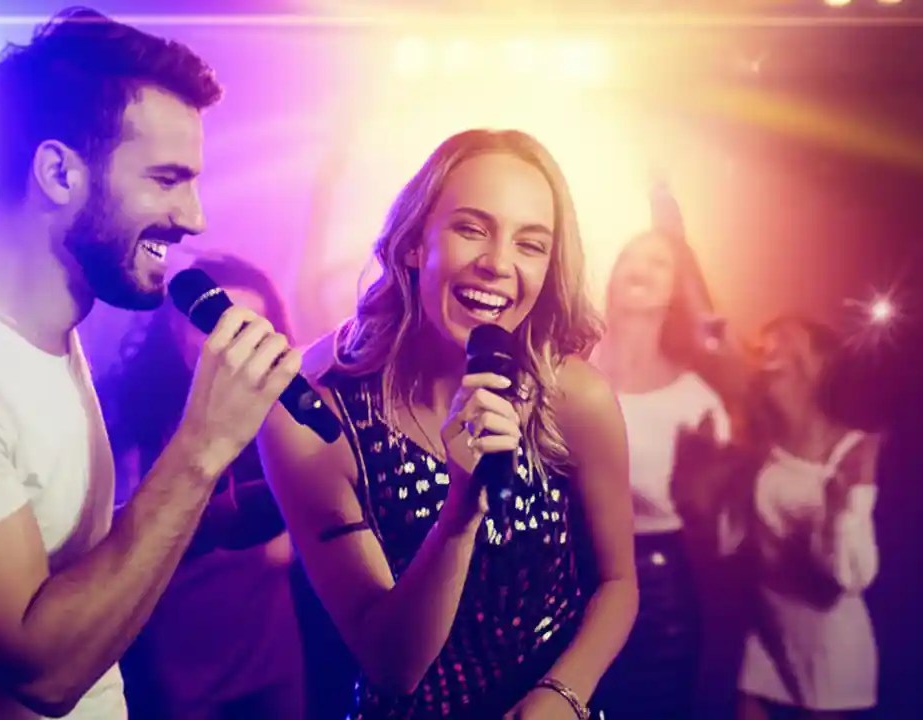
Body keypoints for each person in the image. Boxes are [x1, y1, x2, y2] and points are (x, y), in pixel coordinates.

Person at [0, 8, 302, 719]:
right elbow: (45, 670)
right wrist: (202, 447)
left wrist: (229, 512)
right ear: (59, 171)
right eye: (167, 179)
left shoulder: (37, 337)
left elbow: (59, 560)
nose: (194, 216)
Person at [257, 128, 638, 719]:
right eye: (471, 228)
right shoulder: (317, 415)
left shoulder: (574, 398)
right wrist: (461, 511)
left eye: (531, 244)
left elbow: (619, 585)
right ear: (414, 242)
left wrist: (562, 693)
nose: (498, 264)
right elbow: (393, 664)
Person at [102, 254, 305, 720]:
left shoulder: (283, 418)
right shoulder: (136, 415)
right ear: (177, 331)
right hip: (175, 657)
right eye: (217, 330)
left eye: (251, 332)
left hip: (269, 646)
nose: (233, 351)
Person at [589, 225, 738, 719]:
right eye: (631, 255)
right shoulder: (562, 374)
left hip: (656, 592)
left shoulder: (695, 402)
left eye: (659, 262)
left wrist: (707, 495)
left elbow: (726, 537)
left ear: (675, 291)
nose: (641, 267)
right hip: (564, 574)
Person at [734, 317, 880, 720]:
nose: (769, 348)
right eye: (766, 342)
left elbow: (850, 578)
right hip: (767, 639)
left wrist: (841, 512)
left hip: (830, 653)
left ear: (820, 362)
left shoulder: (859, 450)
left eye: (784, 338)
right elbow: (733, 542)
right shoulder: (759, 446)